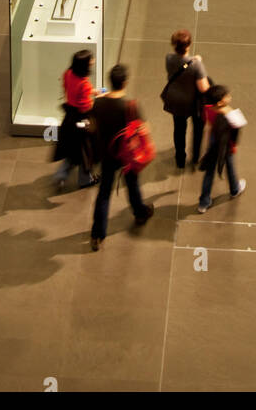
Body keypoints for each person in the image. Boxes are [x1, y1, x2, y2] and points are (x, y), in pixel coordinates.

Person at [90, 63, 153, 251]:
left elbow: (92, 127)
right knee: (132, 184)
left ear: (110, 81)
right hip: (127, 155)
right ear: (125, 82)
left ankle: (97, 234)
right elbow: (143, 128)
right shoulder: (130, 106)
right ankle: (140, 213)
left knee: (104, 193)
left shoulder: (98, 103)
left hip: (107, 154)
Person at [162, 29, 209, 169]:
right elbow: (204, 88)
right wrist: (197, 61)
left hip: (176, 101)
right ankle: (195, 157)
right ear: (188, 45)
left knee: (179, 129)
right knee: (198, 130)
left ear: (173, 45)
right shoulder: (196, 65)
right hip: (193, 103)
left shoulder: (169, 58)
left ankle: (180, 159)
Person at [53, 49, 99, 191]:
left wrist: (92, 91)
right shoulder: (84, 84)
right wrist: (95, 100)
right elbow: (85, 107)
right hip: (82, 120)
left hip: (70, 117)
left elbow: (69, 89)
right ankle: (85, 180)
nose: (93, 61)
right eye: (91, 59)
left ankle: (61, 174)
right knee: (85, 150)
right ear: (85, 65)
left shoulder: (68, 73)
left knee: (72, 148)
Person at [197, 84, 246, 213]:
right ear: (220, 102)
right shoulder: (230, 115)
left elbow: (207, 121)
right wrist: (228, 110)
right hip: (225, 144)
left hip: (213, 139)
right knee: (230, 166)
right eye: (227, 96)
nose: (229, 97)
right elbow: (239, 124)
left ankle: (204, 202)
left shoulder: (207, 108)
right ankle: (234, 189)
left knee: (209, 172)